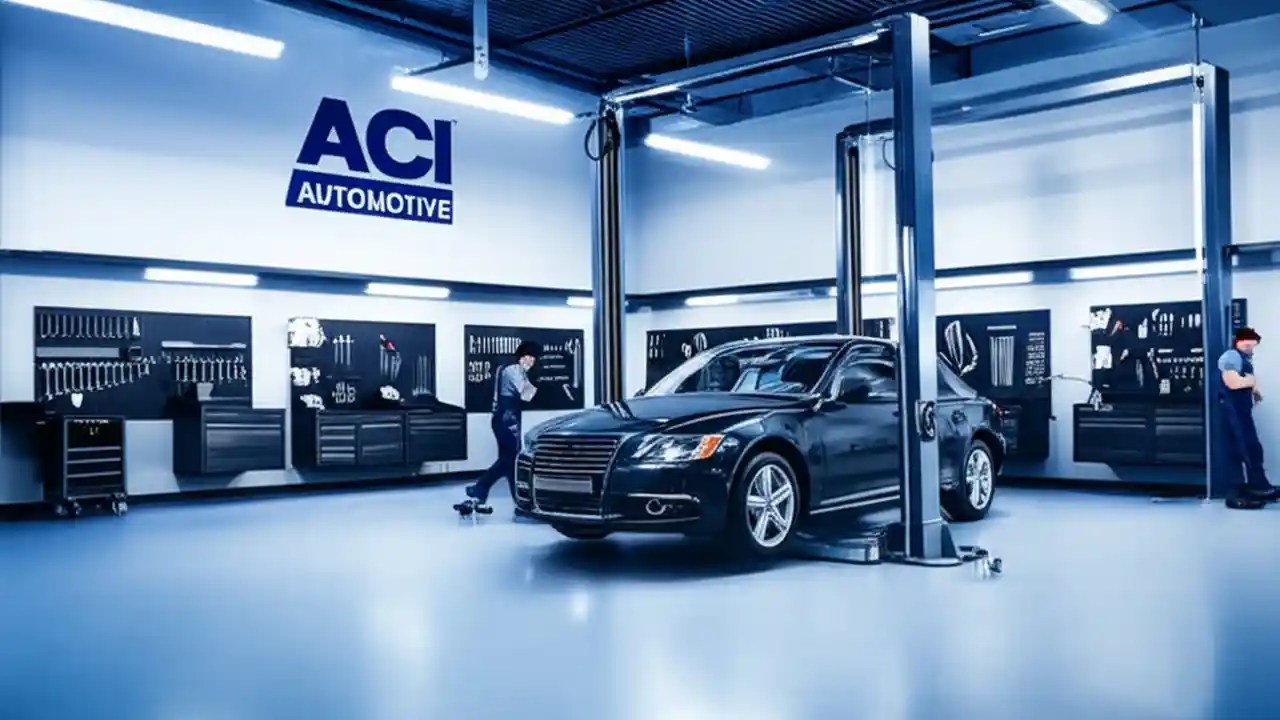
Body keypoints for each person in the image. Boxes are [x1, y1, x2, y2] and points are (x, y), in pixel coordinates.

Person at [454, 342, 539, 515]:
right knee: (510, 460)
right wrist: (538, 382)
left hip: (509, 419)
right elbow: (527, 394)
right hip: (506, 420)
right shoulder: (513, 370)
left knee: (510, 462)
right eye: (529, 357)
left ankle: (515, 502)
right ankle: (480, 487)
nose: (532, 361)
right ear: (521, 357)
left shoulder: (517, 371)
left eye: (534, 358)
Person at [1218, 327, 1274, 504]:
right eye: (1249, 344)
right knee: (1239, 449)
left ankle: (1259, 487)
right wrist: (1251, 381)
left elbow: (1244, 380)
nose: (1251, 348)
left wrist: (1254, 391)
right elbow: (1232, 383)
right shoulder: (1230, 356)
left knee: (1252, 447)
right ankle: (1237, 495)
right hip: (1232, 411)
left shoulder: (1242, 358)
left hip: (1241, 411)